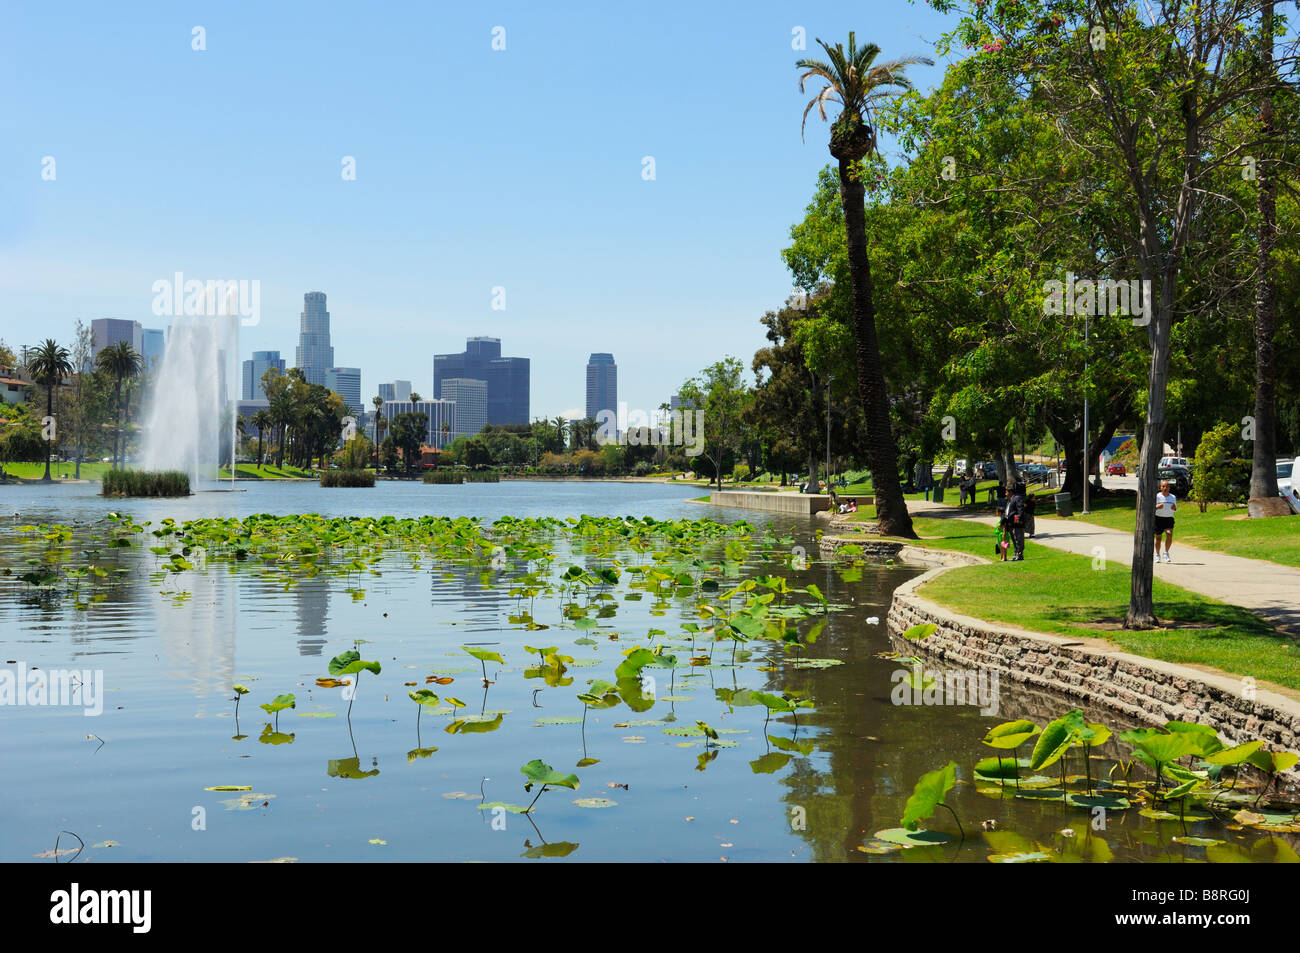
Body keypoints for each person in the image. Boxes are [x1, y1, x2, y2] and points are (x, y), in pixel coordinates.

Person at [1004, 482, 1028, 560]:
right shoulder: (1009, 500)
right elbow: (1007, 512)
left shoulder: (1017, 498)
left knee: (1018, 539)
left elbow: (1020, 509)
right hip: (1011, 524)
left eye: (1006, 492)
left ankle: (1020, 555)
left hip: (1017, 523)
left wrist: (1019, 519)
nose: (1005, 493)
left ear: (1010, 492)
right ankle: (1016, 554)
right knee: (1014, 539)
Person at [1155, 479, 1177, 562]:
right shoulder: (1157, 496)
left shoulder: (1172, 497)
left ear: (1169, 488)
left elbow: (1175, 508)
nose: (1165, 488)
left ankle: (1166, 553)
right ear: (1160, 487)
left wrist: (1174, 508)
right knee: (1158, 538)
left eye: (1167, 486)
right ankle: (1157, 554)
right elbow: (1152, 508)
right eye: (1163, 486)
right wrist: (1157, 507)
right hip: (1158, 518)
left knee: (1169, 534)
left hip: (1169, 518)